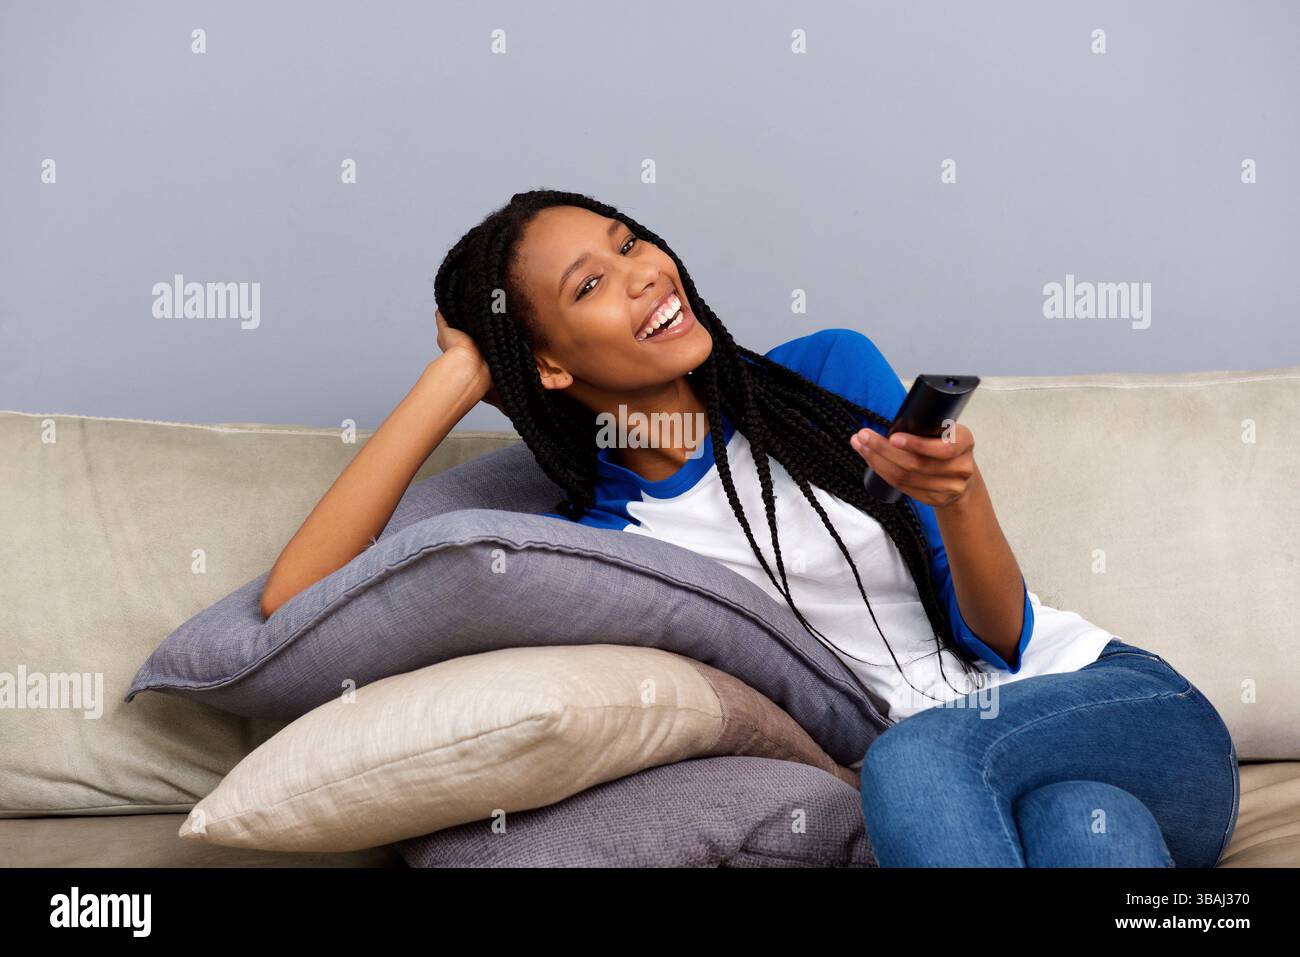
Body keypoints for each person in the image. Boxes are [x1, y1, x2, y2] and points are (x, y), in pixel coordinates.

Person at [259, 188, 1239, 867]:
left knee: (923, 755)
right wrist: (457, 378)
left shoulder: (824, 376)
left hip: (1113, 709)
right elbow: (293, 604)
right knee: (1085, 828)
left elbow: (999, 635)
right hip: (1010, 798)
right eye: (588, 286)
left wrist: (958, 498)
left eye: (630, 243)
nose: (641, 275)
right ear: (548, 365)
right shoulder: (610, 547)